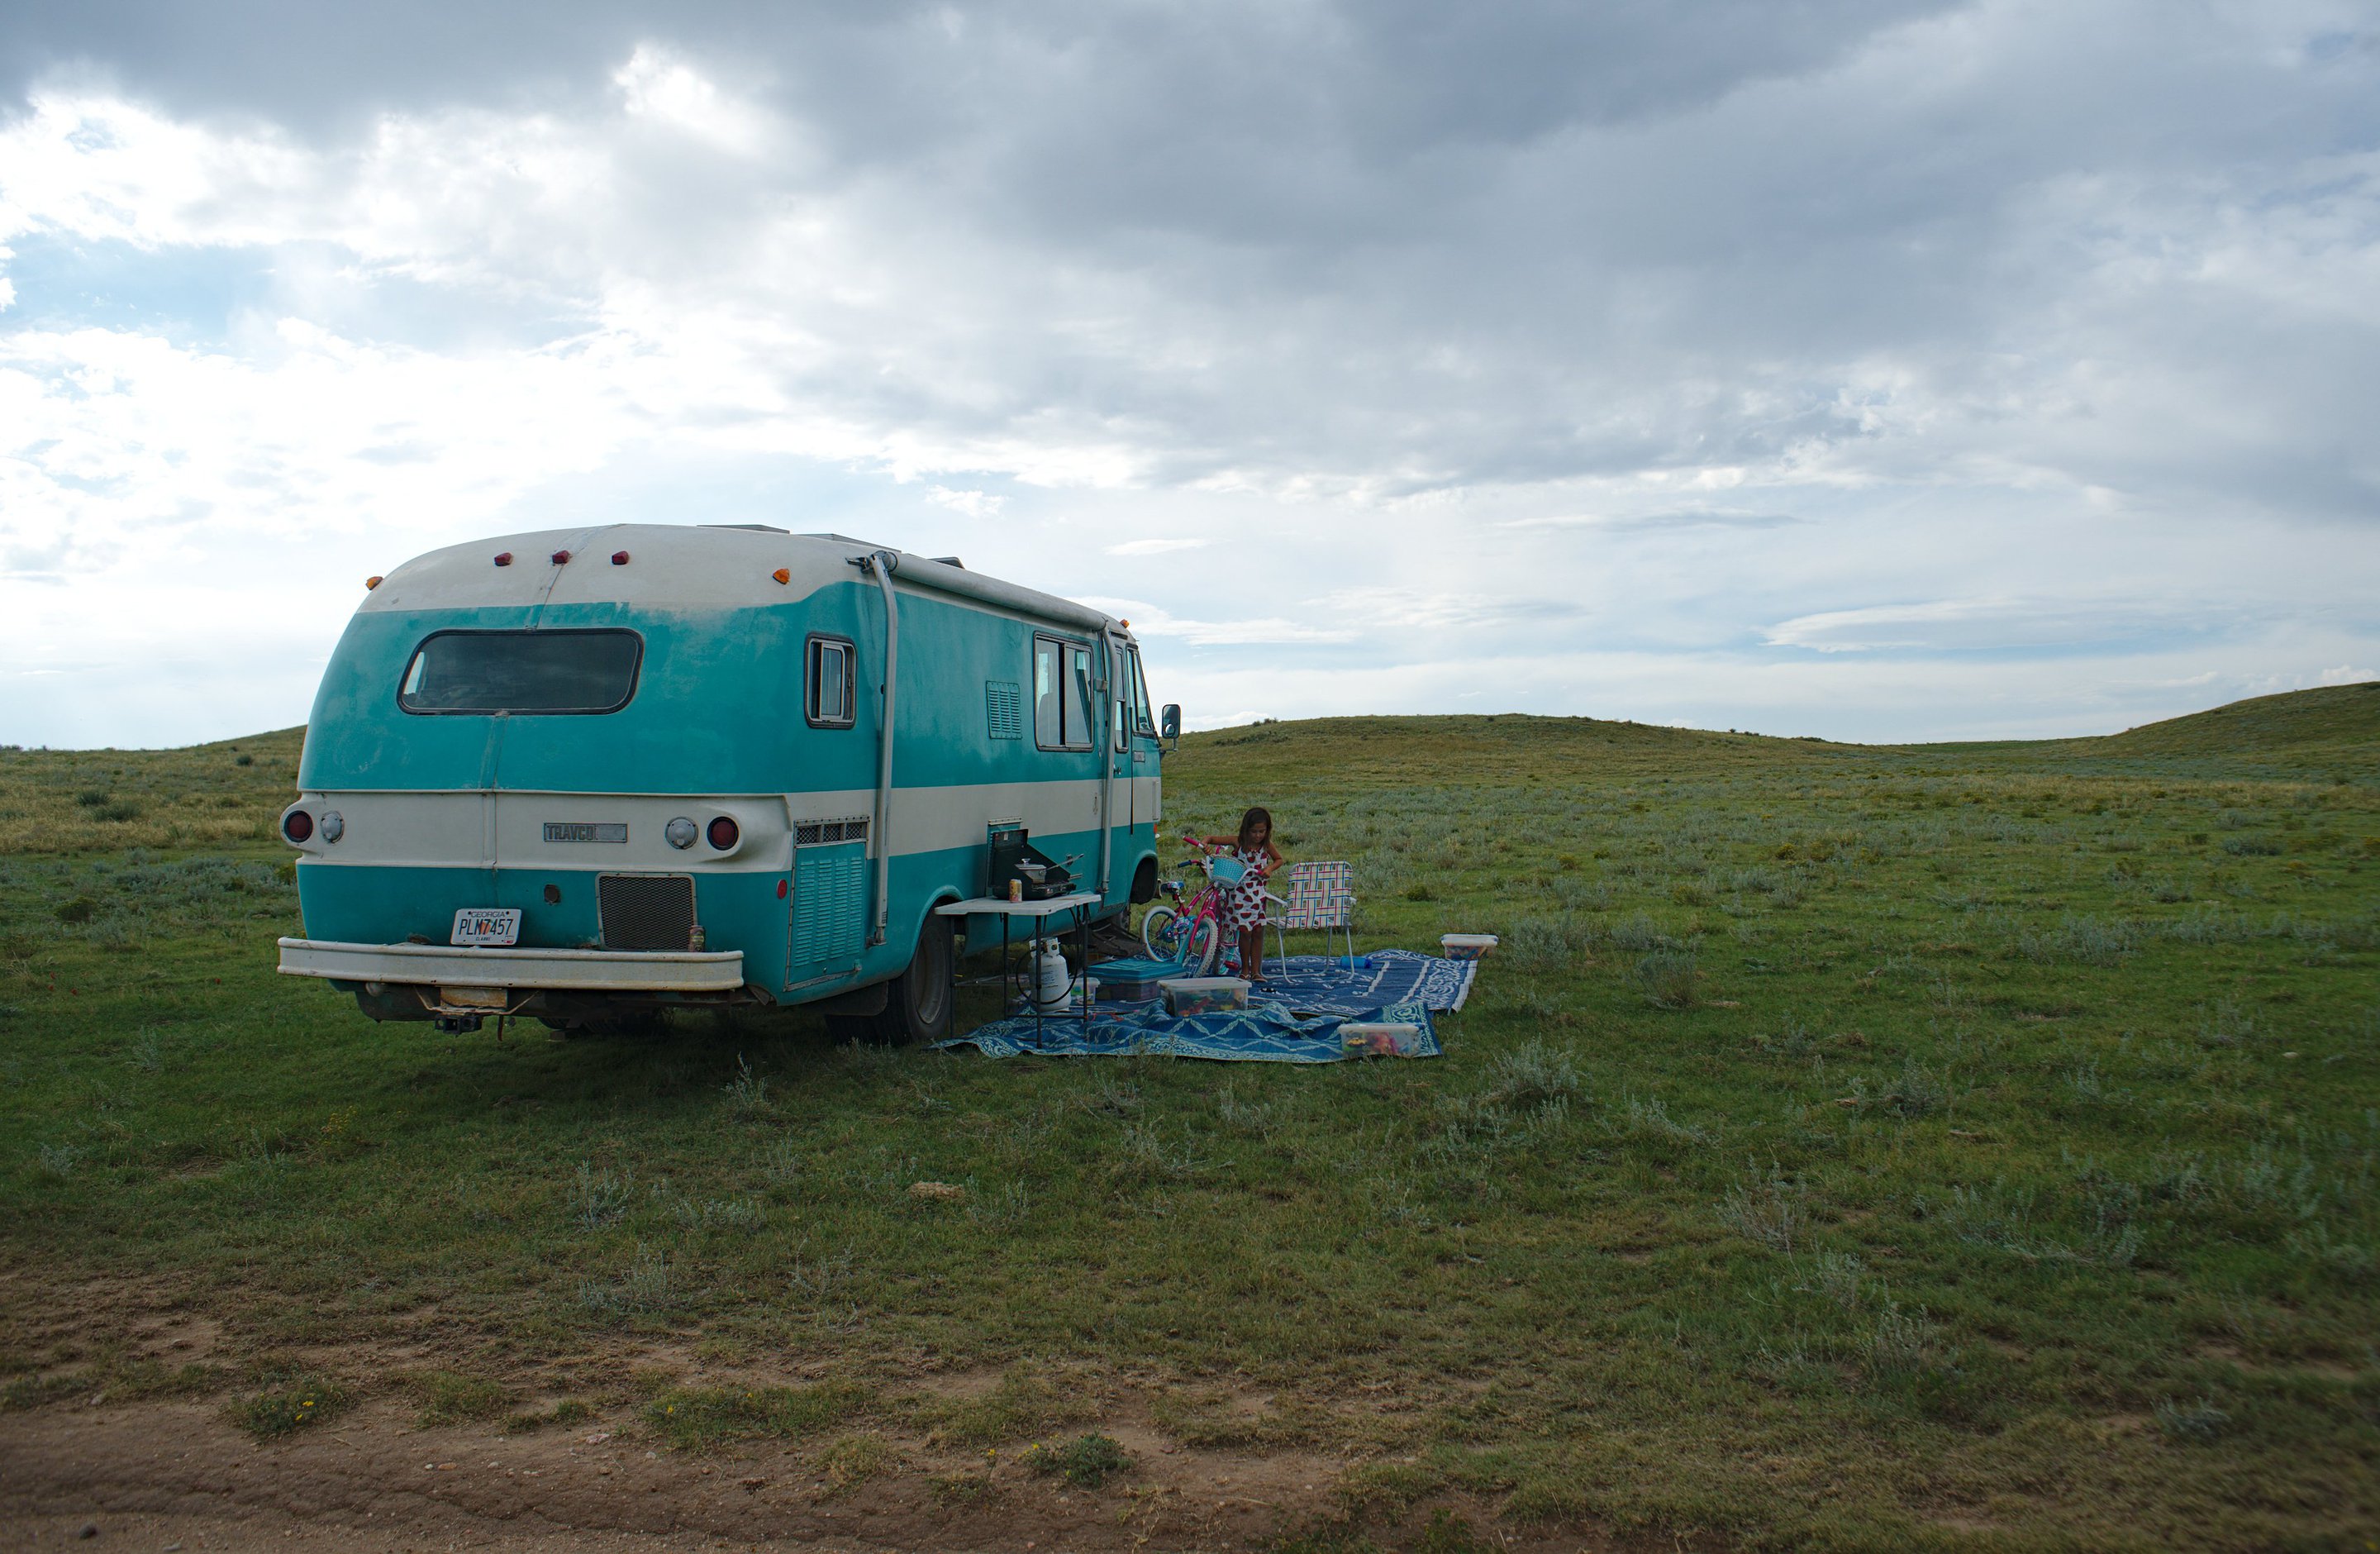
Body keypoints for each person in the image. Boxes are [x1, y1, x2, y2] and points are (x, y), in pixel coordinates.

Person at [1193, 806, 1283, 982]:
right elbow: (1211, 838)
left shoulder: (1266, 845)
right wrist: (1205, 844)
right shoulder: (1238, 842)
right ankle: (1245, 969)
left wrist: (1269, 868)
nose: (1258, 835)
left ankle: (1257, 971)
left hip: (1258, 895)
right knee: (1245, 932)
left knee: (1258, 931)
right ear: (1246, 830)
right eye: (1254, 831)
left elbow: (1279, 859)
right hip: (1239, 895)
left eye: (1262, 831)